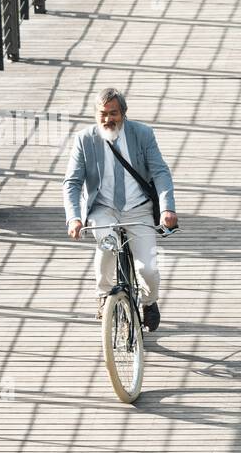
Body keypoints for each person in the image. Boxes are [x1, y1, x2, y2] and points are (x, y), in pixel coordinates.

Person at [62, 88, 178, 330]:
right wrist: (74, 218)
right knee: (106, 244)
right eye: (102, 114)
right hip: (103, 209)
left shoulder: (142, 134)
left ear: (123, 113)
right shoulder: (85, 139)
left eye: (113, 113)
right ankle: (104, 296)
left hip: (138, 209)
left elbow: (160, 172)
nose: (107, 119)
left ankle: (149, 302)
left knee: (147, 269)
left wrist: (167, 208)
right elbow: (72, 183)